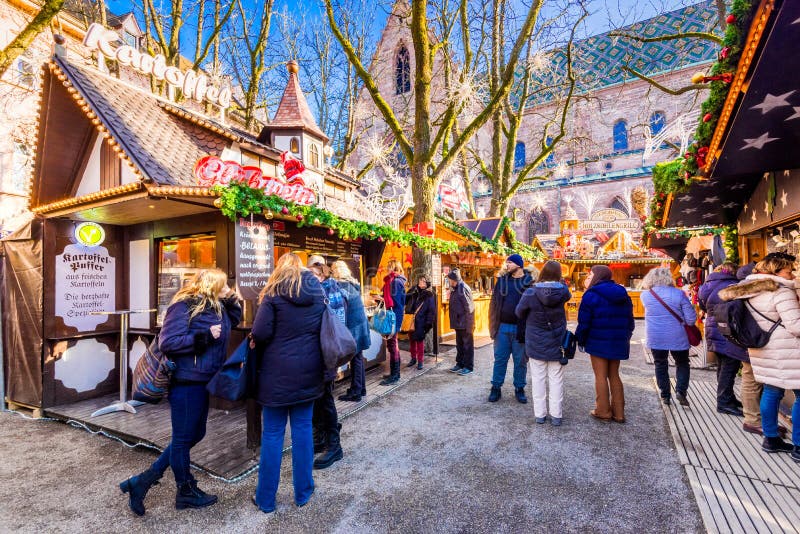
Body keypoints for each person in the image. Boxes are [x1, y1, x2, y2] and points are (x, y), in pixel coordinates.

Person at [119, 269, 241, 516]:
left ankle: (143, 481)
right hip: (186, 381)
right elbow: (168, 342)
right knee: (184, 438)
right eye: (222, 285)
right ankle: (185, 491)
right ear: (211, 285)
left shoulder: (216, 306)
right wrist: (204, 336)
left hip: (203, 380)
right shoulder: (183, 306)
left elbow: (234, 321)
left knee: (194, 434)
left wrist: (231, 299)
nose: (226, 288)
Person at [251, 253, 326, 513]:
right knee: (303, 430)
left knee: (272, 435)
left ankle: (266, 499)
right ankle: (303, 492)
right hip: (309, 369)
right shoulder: (316, 291)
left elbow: (260, 333)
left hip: (276, 373)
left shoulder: (273, 292)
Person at [719, 252, 800, 459]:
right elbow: (795, 325)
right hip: (786, 350)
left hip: (762, 347)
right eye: (789, 270)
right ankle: (799, 446)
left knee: (772, 391)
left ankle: (771, 439)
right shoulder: (780, 291)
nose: (792, 274)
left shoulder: (747, 290)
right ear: (777, 271)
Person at [575, 265, 634, 423]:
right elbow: (630, 321)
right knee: (614, 375)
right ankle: (619, 413)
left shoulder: (591, 295)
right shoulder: (622, 293)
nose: (588, 277)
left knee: (600, 376)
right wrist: (626, 336)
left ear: (597, 276)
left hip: (597, 340)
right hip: (618, 340)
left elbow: (584, 323)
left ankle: (603, 411)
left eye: (590, 274)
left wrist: (581, 340)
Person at [515, 260, 571, 426]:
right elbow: (566, 296)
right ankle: (556, 415)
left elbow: (518, 312)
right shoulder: (564, 292)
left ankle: (540, 415)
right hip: (557, 342)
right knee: (556, 379)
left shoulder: (531, 292)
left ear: (543, 272)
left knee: (538, 379)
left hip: (535, 342)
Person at [307, 255, 346, 470]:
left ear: (322, 273)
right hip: (315, 354)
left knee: (326, 400)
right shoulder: (316, 290)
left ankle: (334, 445)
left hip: (326, 354)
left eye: (313, 273)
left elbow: (337, 324)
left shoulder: (330, 289)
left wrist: (335, 359)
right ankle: (321, 439)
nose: (310, 277)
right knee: (317, 400)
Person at [640, 267, 697, 406]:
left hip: (655, 336)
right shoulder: (679, 294)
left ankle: (665, 395)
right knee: (682, 363)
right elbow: (690, 319)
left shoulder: (645, 295)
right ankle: (681, 391)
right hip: (677, 335)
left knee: (660, 364)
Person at [698, 263, 748, 417]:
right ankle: (724, 402)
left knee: (722, 365)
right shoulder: (732, 285)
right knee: (729, 366)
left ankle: (728, 398)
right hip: (728, 330)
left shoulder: (705, 286)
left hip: (713, 328)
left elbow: (703, 307)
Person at [488, 254, 535, 404]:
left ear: (519, 265)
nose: (506, 264)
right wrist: (492, 326)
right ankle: (496, 387)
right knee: (500, 359)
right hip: (502, 327)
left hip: (521, 328)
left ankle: (519, 388)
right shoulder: (501, 281)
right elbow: (493, 304)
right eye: (506, 262)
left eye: (510, 262)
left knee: (520, 361)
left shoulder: (530, 283)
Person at [331, 260, 371, 402]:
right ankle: (361, 388)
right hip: (360, 324)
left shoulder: (339, 285)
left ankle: (355, 392)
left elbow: (341, 309)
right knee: (358, 357)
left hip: (353, 326)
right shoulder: (353, 283)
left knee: (355, 358)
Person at [379, 260, 407, 385]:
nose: (386, 269)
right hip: (395, 315)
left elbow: (394, 302)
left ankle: (395, 375)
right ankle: (394, 373)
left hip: (393, 316)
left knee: (392, 345)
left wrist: (380, 298)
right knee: (392, 345)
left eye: (388, 267)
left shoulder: (395, 282)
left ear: (392, 268)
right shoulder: (395, 281)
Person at [447, 268, 475, 376]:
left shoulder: (463, 288)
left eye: (450, 280)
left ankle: (468, 366)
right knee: (460, 345)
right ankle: (460, 363)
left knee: (467, 345)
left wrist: (470, 325)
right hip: (458, 323)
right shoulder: (455, 288)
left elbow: (469, 308)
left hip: (465, 323)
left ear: (454, 279)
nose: (449, 282)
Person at [404, 275, 436, 370]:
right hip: (411, 320)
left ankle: (420, 361)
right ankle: (413, 358)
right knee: (412, 341)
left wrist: (427, 325)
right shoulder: (414, 292)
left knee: (419, 342)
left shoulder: (429, 295)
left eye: (423, 281)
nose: (420, 282)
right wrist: (410, 291)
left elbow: (431, 311)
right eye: (420, 280)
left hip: (421, 322)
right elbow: (406, 301)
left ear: (427, 284)